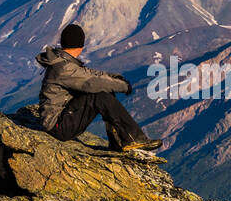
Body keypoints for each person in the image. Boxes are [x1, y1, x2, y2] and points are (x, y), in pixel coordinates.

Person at [36, 24, 162, 152]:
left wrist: (114, 78)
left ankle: (118, 141)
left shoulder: (63, 62)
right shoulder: (64, 68)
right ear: (81, 47)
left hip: (59, 120)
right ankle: (133, 138)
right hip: (57, 126)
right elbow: (92, 82)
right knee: (100, 96)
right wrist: (123, 86)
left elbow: (90, 74)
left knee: (104, 93)